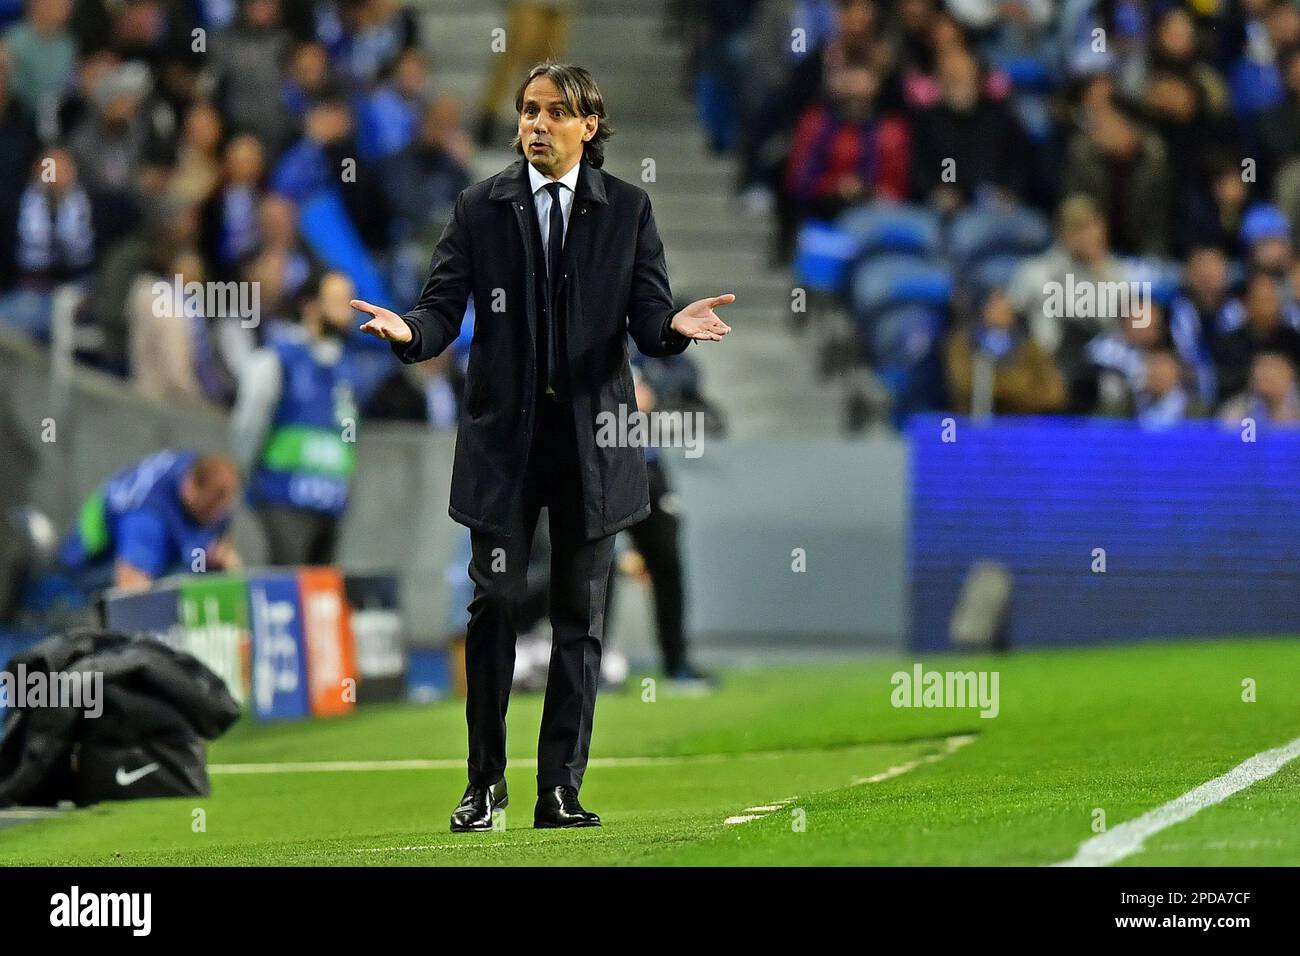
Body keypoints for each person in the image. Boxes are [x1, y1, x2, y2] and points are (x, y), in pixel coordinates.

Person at [352, 61, 734, 831]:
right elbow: (440, 310)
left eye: (555, 112)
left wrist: (672, 332)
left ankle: (558, 787)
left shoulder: (627, 210)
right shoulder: (478, 208)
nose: (536, 123)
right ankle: (483, 785)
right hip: (506, 444)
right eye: (529, 109)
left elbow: (650, 316)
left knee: (578, 618)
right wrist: (409, 334)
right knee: (493, 603)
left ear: (588, 128)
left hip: (592, 444)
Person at [231, 269, 361, 566]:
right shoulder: (278, 358)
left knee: (320, 598)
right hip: (282, 496)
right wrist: (246, 471)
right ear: (311, 306)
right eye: (340, 302)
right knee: (286, 591)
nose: (349, 313)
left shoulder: (347, 368)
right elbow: (248, 423)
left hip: (331, 501)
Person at [58, 449, 242, 594]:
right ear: (191, 489)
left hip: (151, 556)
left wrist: (219, 562)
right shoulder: (148, 521)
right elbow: (131, 589)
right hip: (88, 571)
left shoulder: (193, 467)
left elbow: (214, 549)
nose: (216, 519)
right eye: (208, 509)